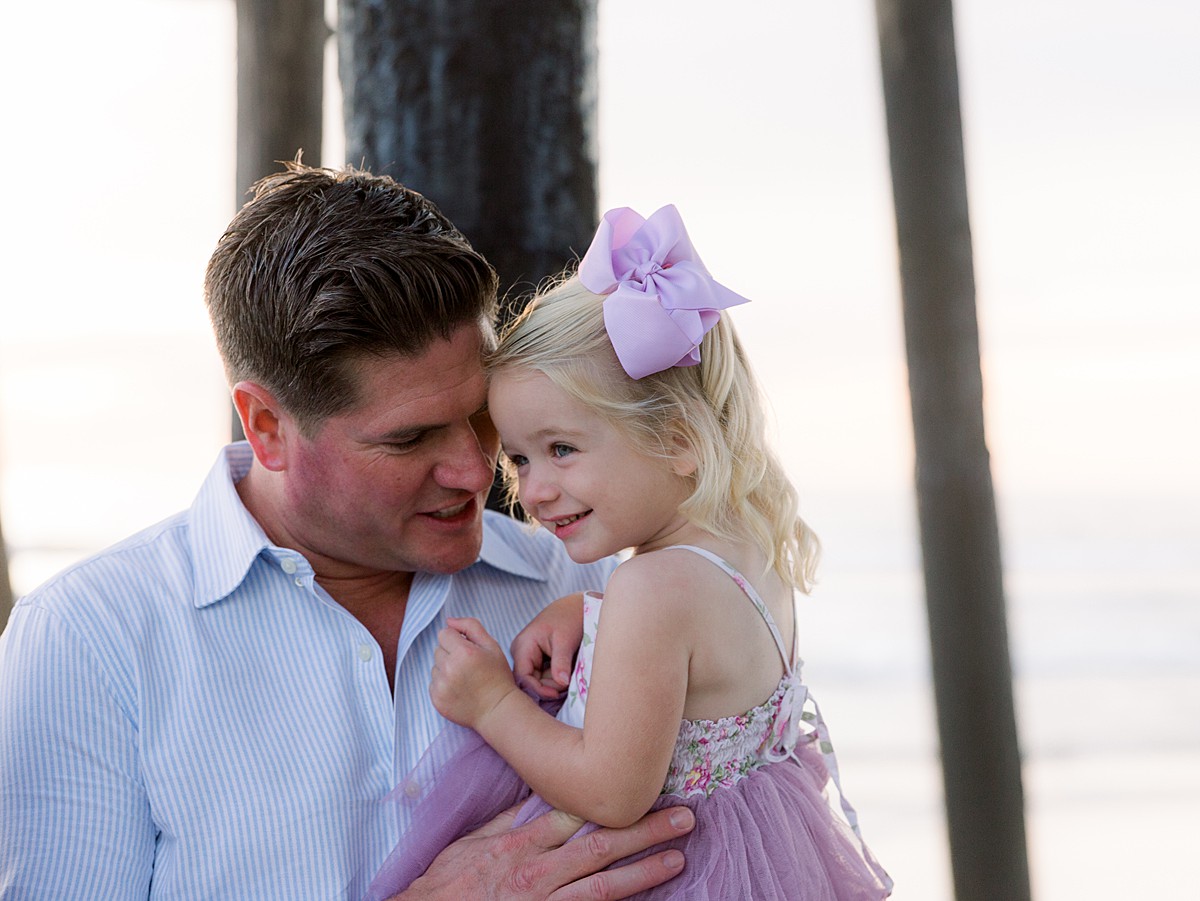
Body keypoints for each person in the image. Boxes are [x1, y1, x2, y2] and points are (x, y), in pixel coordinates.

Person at [0, 163, 696, 899]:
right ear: (267, 427)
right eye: (410, 439)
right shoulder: (86, 646)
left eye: (483, 412)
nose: (474, 469)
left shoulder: (589, 584)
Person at [368, 205, 894, 899]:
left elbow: (611, 792)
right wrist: (593, 611)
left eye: (562, 449)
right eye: (520, 459)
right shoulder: (748, 545)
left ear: (678, 439)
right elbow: (703, 666)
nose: (535, 491)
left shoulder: (650, 589)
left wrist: (492, 702)